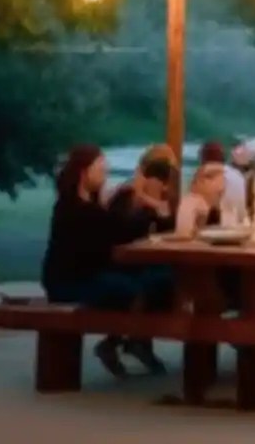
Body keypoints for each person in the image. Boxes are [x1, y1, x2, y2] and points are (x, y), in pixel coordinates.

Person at [41, 145, 174, 377]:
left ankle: (127, 341)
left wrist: (152, 211)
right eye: (101, 169)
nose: (105, 174)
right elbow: (119, 233)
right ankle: (127, 340)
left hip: (93, 273)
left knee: (160, 280)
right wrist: (147, 203)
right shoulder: (73, 208)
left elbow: (121, 232)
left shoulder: (93, 206)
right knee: (131, 288)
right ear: (84, 172)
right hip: (70, 281)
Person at [174, 160, 228, 238]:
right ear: (201, 182)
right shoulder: (190, 203)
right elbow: (184, 235)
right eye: (218, 192)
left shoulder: (210, 207)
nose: (222, 188)